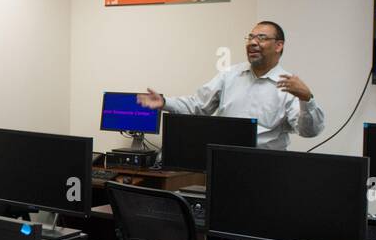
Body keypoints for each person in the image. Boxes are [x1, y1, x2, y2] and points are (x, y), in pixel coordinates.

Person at [137, 21, 324, 150]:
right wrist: (164, 102)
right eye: (250, 37)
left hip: (267, 166)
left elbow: (309, 131)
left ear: (278, 46)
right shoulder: (230, 75)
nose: (252, 43)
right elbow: (198, 106)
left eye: (261, 38)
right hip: (224, 161)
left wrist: (306, 99)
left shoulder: (289, 85)